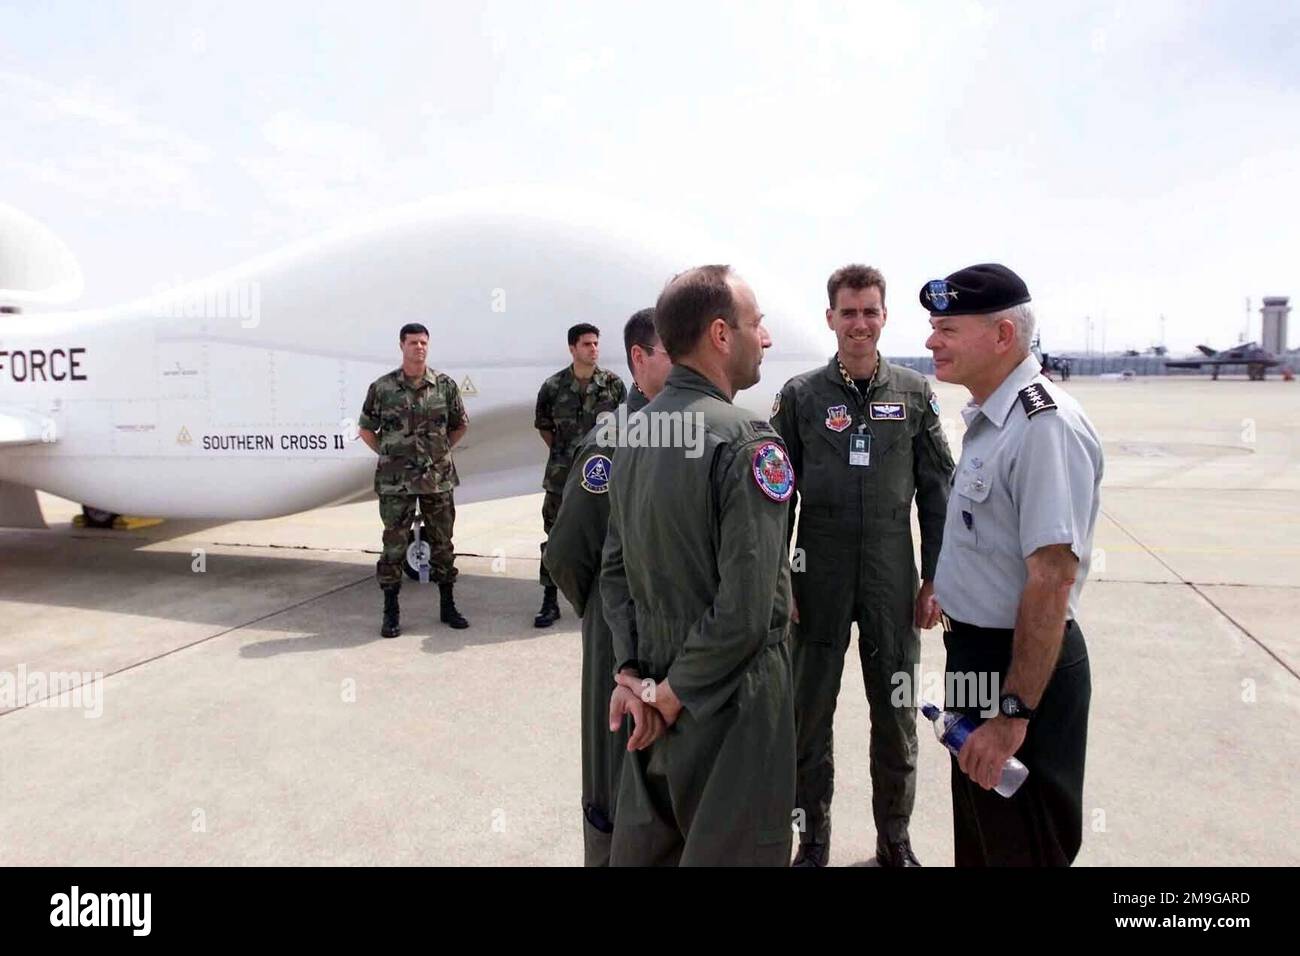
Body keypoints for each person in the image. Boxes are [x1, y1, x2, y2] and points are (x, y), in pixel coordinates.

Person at [601, 264, 797, 866]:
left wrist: (634, 674)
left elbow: (614, 573)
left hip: (652, 694)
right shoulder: (748, 441)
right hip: (731, 706)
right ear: (720, 334)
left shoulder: (633, 434)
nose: (764, 338)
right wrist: (672, 695)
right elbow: (746, 612)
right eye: (755, 323)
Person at [771, 264, 954, 868]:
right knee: (807, 720)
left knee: (897, 718)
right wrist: (780, 580)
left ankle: (894, 842)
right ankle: (812, 843)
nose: (859, 323)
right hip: (815, 577)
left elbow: (937, 490)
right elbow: (775, 498)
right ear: (831, 318)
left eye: (870, 311)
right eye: (848, 312)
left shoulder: (915, 392)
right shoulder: (801, 398)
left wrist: (936, 578)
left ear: (884, 317)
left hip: (891, 580)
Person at [922, 263, 1102, 866]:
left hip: (1020, 672)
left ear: (1003, 336)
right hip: (977, 659)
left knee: (1023, 847)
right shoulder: (991, 419)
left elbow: (1052, 579)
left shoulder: (1043, 426)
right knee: (982, 841)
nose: (930, 341)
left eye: (946, 329)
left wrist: (1012, 715)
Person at [543, 308, 672, 866]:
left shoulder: (691, 431)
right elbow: (568, 550)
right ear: (640, 360)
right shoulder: (612, 439)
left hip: (671, 632)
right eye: (674, 350)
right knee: (615, 768)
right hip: (614, 632)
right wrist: (599, 612)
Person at [357, 323, 470, 636]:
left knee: (443, 545)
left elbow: (460, 425)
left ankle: (448, 606)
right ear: (401, 346)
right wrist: (390, 454)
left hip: (437, 478)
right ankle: (391, 612)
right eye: (413, 343)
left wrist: (439, 451)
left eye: (423, 342)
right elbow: (366, 429)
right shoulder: (382, 388)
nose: (419, 347)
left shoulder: (444, 385)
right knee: (393, 546)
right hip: (397, 482)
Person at [534, 323, 627, 627]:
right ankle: (550, 601)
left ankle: (605, 603)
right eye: (587, 344)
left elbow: (627, 427)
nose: (594, 349)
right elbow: (545, 427)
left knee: (609, 538)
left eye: (596, 343)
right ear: (572, 348)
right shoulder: (552, 387)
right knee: (555, 536)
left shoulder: (613, 385)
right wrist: (568, 454)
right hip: (562, 478)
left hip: (605, 479)